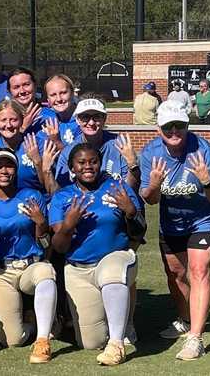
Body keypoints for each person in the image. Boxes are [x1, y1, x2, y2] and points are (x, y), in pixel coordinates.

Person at [139, 101, 210, 360]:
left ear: (188, 125)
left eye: (180, 125)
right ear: (158, 129)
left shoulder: (204, 150)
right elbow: (150, 199)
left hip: (204, 220)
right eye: (168, 126)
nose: (174, 131)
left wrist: (207, 182)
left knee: (199, 269)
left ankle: (195, 338)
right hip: (172, 223)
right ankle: (186, 319)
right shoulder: (150, 153)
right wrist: (154, 185)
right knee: (176, 274)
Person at [49, 143, 145, 366]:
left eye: (93, 161)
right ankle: (116, 319)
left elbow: (140, 231)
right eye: (81, 163)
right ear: (72, 167)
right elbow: (59, 247)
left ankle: (117, 343)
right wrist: (68, 225)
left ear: (100, 164)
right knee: (91, 342)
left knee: (112, 272)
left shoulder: (117, 187)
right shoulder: (63, 196)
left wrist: (130, 211)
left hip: (115, 257)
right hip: (78, 269)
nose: (88, 166)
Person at [0, 148, 56, 363]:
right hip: (2, 270)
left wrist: (41, 224)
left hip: (32, 265)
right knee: (12, 340)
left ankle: (42, 339)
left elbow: (45, 244)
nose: (4, 171)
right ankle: (32, 323)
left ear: (16, 169)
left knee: (46, 272)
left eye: (9, 165)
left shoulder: (32, 196)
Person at [50, 97, 138, 192]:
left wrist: (132, 165)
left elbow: (130, 190)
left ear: (104, 119)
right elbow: (62, 191)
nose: (91, 123)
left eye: (97, 117)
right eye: (85, 117)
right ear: (77, 120)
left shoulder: (120, 145)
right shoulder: (69, 152)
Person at [0, 99, 50, 193]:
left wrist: (37, 162)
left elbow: (47, 185)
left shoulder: (36, 144)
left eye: (14, 120)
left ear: (22, 121)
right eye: (3, 120)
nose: (8, 125)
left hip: (35, 198)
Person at [7, 67, 53, 136]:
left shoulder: (50, 115)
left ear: (35, 85)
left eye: (26, 84)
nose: (22, 91)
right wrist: (23, 127)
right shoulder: (6, 118)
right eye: (16, 87)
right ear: (9, 91)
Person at [42, 74, 81, 147]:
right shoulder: (43, 117)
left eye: (63, 93)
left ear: (72, 93)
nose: (59, 99)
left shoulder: (84, 119)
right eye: (53, 95)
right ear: (48, 99)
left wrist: (57, 142)